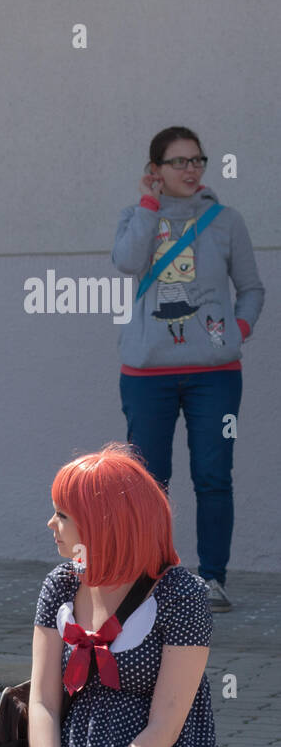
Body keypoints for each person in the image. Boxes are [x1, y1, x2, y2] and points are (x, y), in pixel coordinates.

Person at [0, 444, 261, 747]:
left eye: (63, 515)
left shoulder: (181, 596)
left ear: (106, 524)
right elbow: (44, 702)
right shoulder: (61, 584)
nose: (51, 524)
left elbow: (167, 724)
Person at [111, 126, 264, 612]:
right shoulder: (137, 216)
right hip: (146, 375)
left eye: (197, 159)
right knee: (149, 481)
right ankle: (151, 578)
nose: (191, 169)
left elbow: (252, 287)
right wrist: (148, 206)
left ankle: (213, 579)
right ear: (155, 170)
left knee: (214, 475)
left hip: (215, 375)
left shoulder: (226, 221)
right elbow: (127, 261)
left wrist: (236, 330)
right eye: (179, 162)